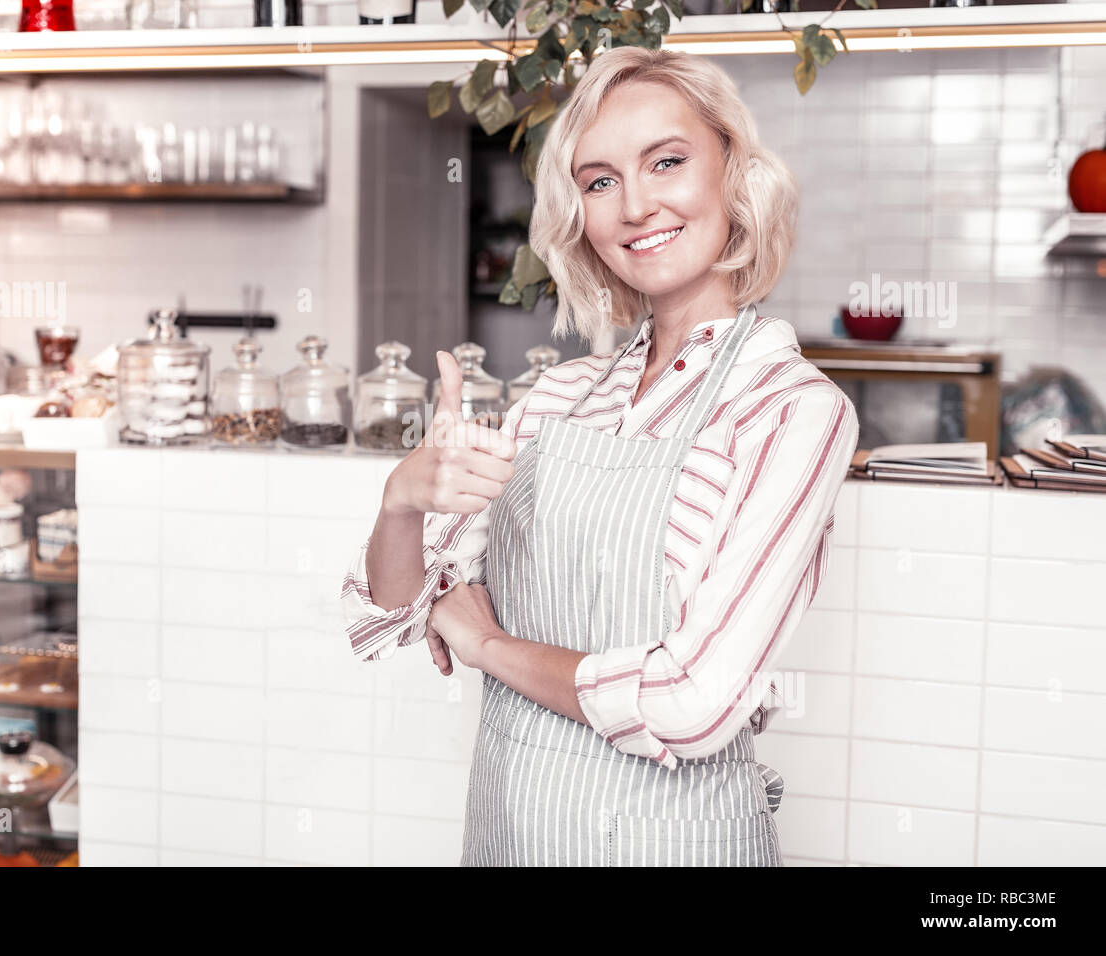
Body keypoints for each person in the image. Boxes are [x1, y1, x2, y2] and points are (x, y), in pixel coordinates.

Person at [341, 46, 859, 866]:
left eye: (668, 161)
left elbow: (689, 705)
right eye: (600, 180)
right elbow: (396, 612)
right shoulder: (556, 398)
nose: (635, 205)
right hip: (510, 834)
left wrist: (489, 648)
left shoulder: (791, 411)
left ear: (732, 172)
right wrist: (402, 501)